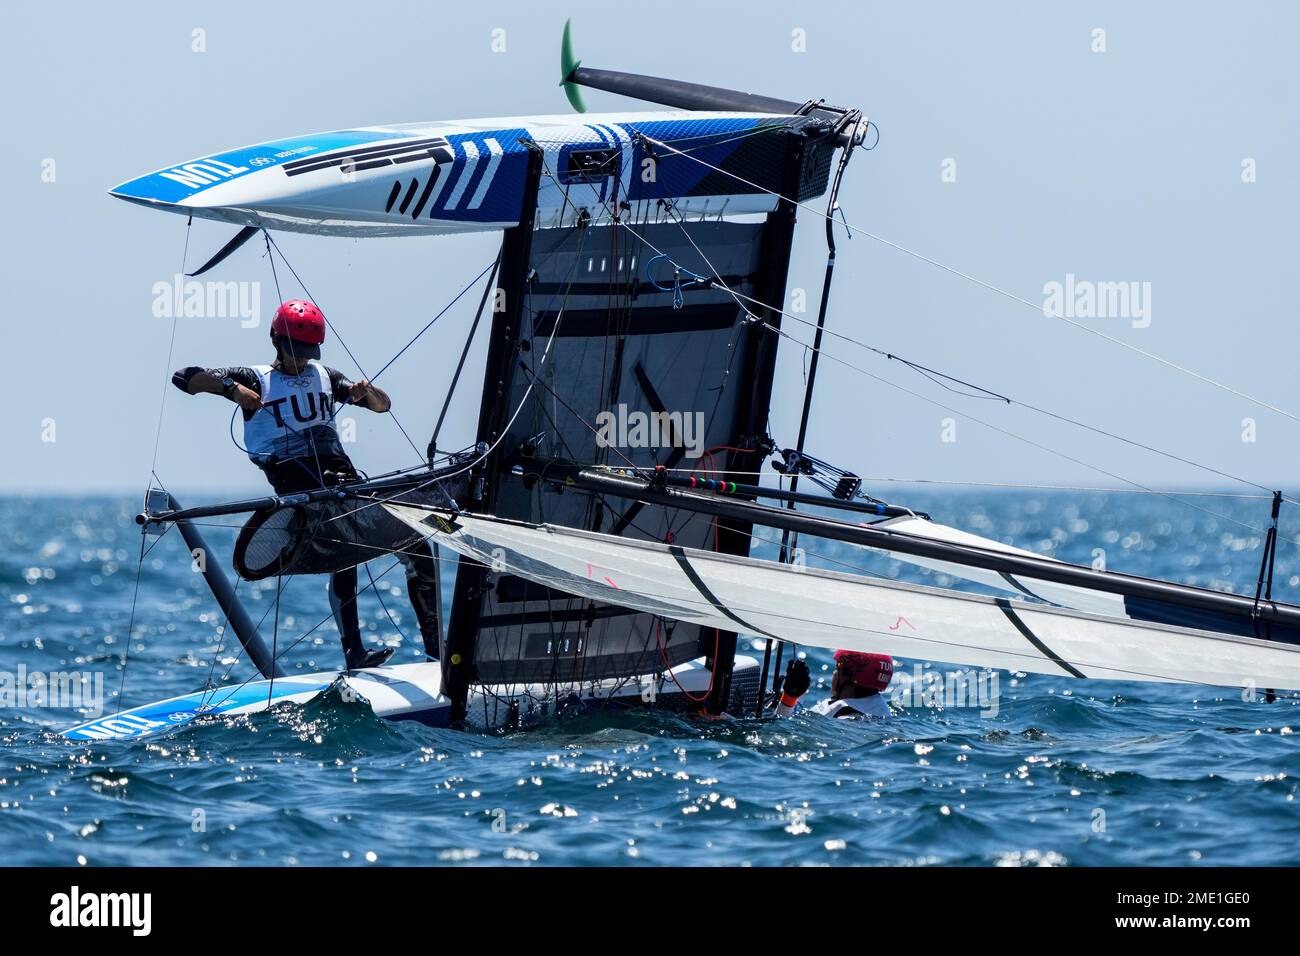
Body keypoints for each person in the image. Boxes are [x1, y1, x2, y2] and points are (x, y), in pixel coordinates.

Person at [172, 298, 442, 672]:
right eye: (294, 350)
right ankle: (355, 654)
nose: (301, 358)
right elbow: (185, 376)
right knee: (346, 551)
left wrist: (370, 394)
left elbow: (381, 406)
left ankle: (436, 652)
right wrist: (231, 389)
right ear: (275, 341)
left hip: (346, 486)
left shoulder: (324, 375)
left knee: (419, 547)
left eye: (308, 351)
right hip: (302, 492)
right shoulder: (255, 378)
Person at [773, 650, 893, 719]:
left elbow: (782, 734)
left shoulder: (847, 716)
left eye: (837, 668)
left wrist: (789, 698)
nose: (834, 673)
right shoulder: (878, 708)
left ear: (848, 677)